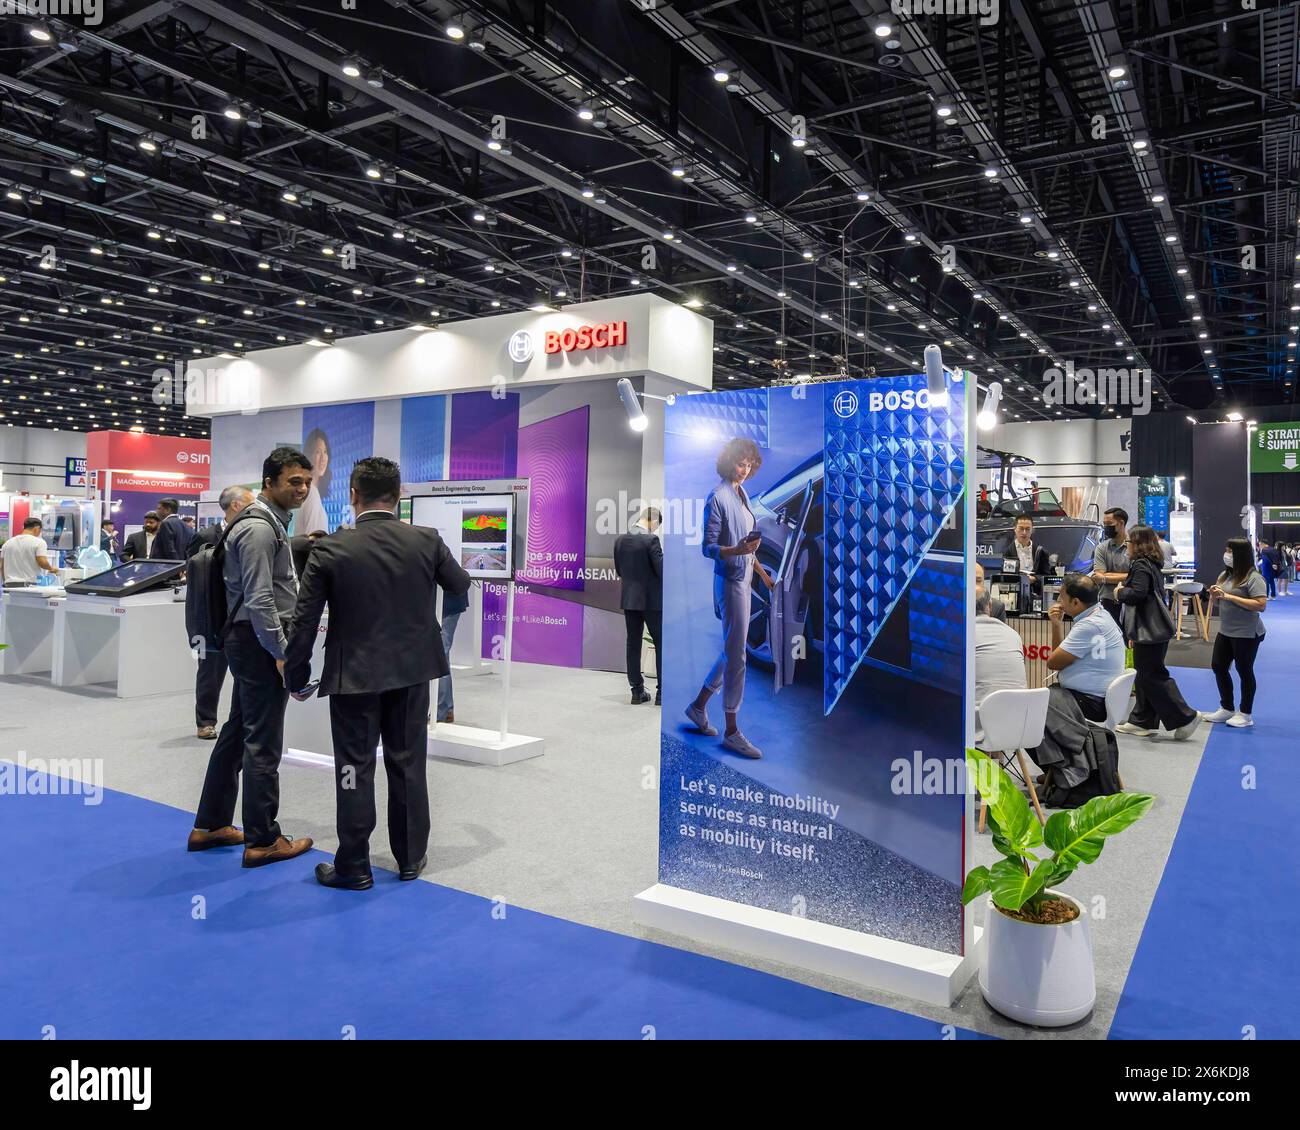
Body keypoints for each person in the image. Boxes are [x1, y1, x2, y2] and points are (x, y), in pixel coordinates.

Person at [285, 456, 471, 889]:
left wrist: (294, 676)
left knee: (354, 767)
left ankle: (354, 866)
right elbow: (459, 584)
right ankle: (410, 859)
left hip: (354, 677)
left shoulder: (331, 547)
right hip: (411, 673)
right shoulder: (426, 540)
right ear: (399, 494)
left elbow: (305, 620)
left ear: (352, 495)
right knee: (408, 764)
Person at [188, 448, 314, 867]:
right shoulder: (260, 528)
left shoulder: (261, 523)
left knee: (238, 729)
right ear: (269, 481)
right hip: (259, 643)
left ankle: (211, 824)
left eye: (307, 482)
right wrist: (281, 653)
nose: (302, 489)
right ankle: (263, 840)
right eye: (294, 481)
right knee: (262, 742)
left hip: (248, 639)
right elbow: (260, 598)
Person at [685, 439, 775, 759]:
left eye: (750, 464)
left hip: (744, 581)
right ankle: (732, 732)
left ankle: (698, 707)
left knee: (731, 650)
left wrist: (766, 580)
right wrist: (736, 550)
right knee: (737, 657)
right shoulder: (718, 496)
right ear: (728, 463)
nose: (746, 469)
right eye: (741, 463)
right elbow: (708, 547)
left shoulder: (742, 493)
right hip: (729, 584)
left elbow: (749, 549)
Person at [1031, 575, 1126, 799]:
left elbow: (1053, 662)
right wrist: (1057, 625)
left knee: (1030, 711)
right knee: (1044, 700)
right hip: (1095, 698)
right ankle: (1056, 768)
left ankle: (1064, 769)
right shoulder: (1101, 615)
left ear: (1075, 603)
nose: (1058, 602)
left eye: (1061, 597)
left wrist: (1055, 625)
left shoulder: (1088, 626)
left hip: (1089, 702)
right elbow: (1059, 660)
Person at [1115, 524, 1201, 741]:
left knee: (1151, 676)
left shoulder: (1141, 565)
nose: (1126, 545)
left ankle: (1186, 716)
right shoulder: (1152, 563)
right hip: (1153, 630)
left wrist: (1120, 592)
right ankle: (1141, 720)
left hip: (1148, 630)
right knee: (1146, 675)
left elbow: (1138, 594)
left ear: (1137, 544)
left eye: (1129, 541)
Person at [188, 487, 255, 740]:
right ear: (236, 506)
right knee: (210, 671)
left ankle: (240, 722)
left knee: (246, 674)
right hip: (214, 618)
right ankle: (205, 721)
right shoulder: (205, 536)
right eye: (250, 503)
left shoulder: (251, 534)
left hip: (243, 616)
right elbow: (195, 576)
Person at [1205, 537, 1267, 728]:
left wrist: (1228, 596)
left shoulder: (1254, 578)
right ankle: (1227, 708)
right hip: (1226, 630)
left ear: (1239, 554)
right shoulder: (1225, 575)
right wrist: (1215, 595)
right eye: (1227, 550)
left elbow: (1260, 605)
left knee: (1244, 671)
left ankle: (1246, 714)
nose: (1226, 554)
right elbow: (1218, 600)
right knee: (1218, 666)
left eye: (1230, 551)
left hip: (1247, 633)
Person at [614, 506, 664, 705]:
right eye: (656, 526)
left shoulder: (619, 541)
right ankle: (662, 694)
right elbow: (662, 571)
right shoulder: (651, 540)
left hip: (629, 600)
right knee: (661, 644)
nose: (655, 531)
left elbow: (619, 571)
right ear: (653, 520)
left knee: (633, 644)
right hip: (652, 601)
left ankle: (637, 691)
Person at [974, 592, 1027, 742]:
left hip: (979, 727)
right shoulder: (1013, 634)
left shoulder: (962, 632)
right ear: (989, 606)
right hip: (1020, 724)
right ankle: (994, 762)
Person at [436, 584, 469, 724]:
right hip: (432, 604)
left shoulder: (448, 562)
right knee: (441, 655)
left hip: (447, 605)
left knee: (440, 656)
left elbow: (461, 580)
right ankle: (446, 710)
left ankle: (442, 712)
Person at [1091, 506, 1129, 627]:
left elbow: (1137, 575)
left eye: (1109, 524)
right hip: (1107, 599)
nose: (1106, 527)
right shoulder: (1102, 548)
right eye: (1104, 524)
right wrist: (1127, 576)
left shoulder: (1134, 546)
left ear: (1121, 523)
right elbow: (1099, 574)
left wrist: (1106, 578)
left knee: (1129, 640)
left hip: (1131, 599)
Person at [0, 517, 58, 586]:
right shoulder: (39, 542)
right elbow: (42, 562)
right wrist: (51, 568)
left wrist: (5, 582)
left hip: (9, 584)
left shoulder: (7, 543)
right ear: (37, 528)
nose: (39, 533)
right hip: (29, 586)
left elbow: (2, 566)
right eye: (40, 530)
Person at [295, 429, 331, 535]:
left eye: (325, 452)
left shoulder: (311, 492)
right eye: (318, 452)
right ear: (309, 456)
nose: (323, 458)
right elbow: (313, 541)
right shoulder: (312, 493)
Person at [1003, 515, 1053, 586]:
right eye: (1021, 528)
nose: (1024, 532)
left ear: (1032, 530)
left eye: (1027, 529)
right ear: (1015, 529)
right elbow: (1005, 576)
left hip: (1036, 591)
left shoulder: (1041, 552)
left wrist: (1034, 579)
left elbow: (1047, 577)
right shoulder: (1008, 552)